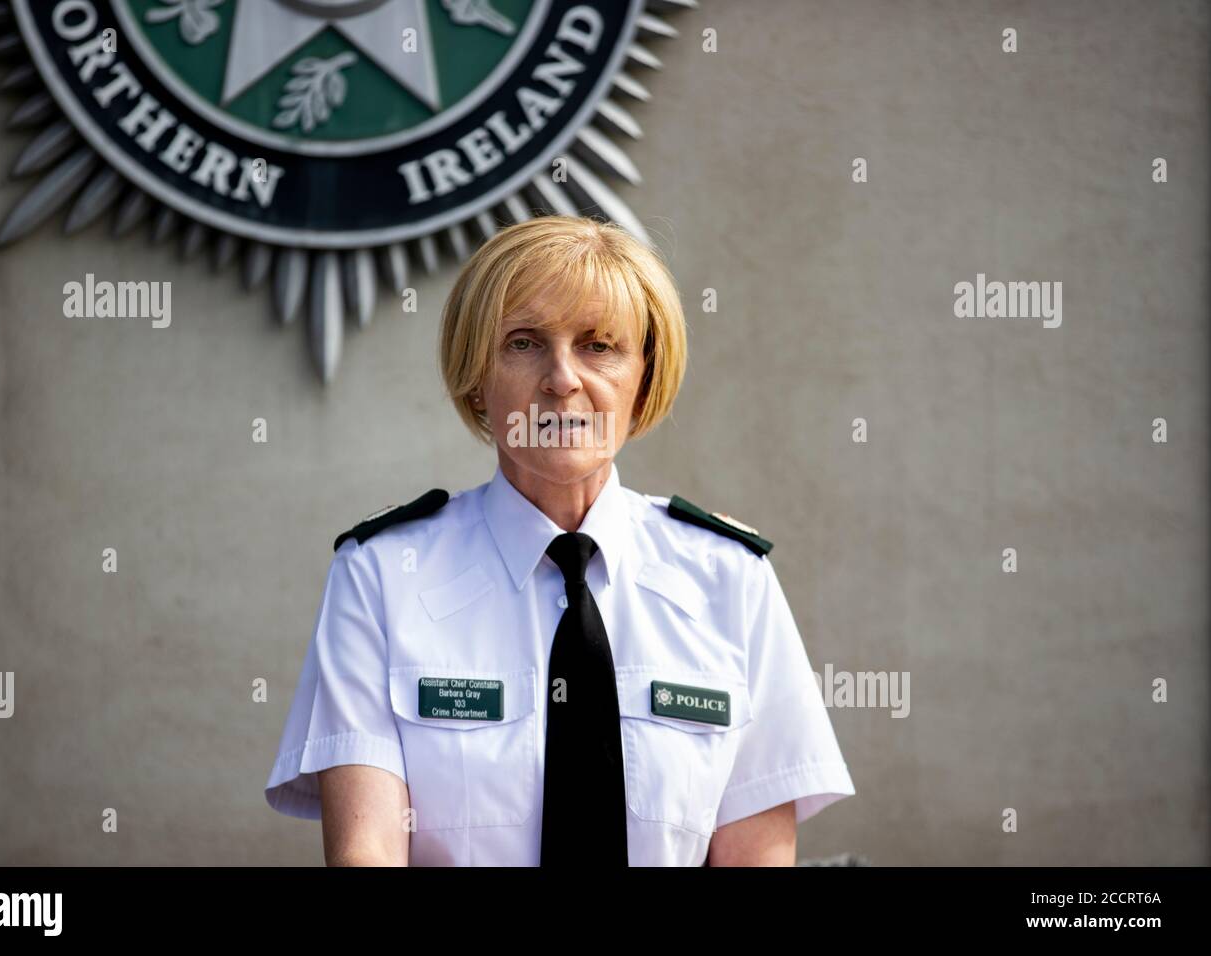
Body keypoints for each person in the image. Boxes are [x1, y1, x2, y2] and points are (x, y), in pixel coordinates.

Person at [264, 215, 855, 866]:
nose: (563, 379)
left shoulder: (729, 579)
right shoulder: (381, 575)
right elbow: (367, 851)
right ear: (475, 375)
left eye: (599, 345)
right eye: (523, 343)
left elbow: (756, 858)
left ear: (643, 378)